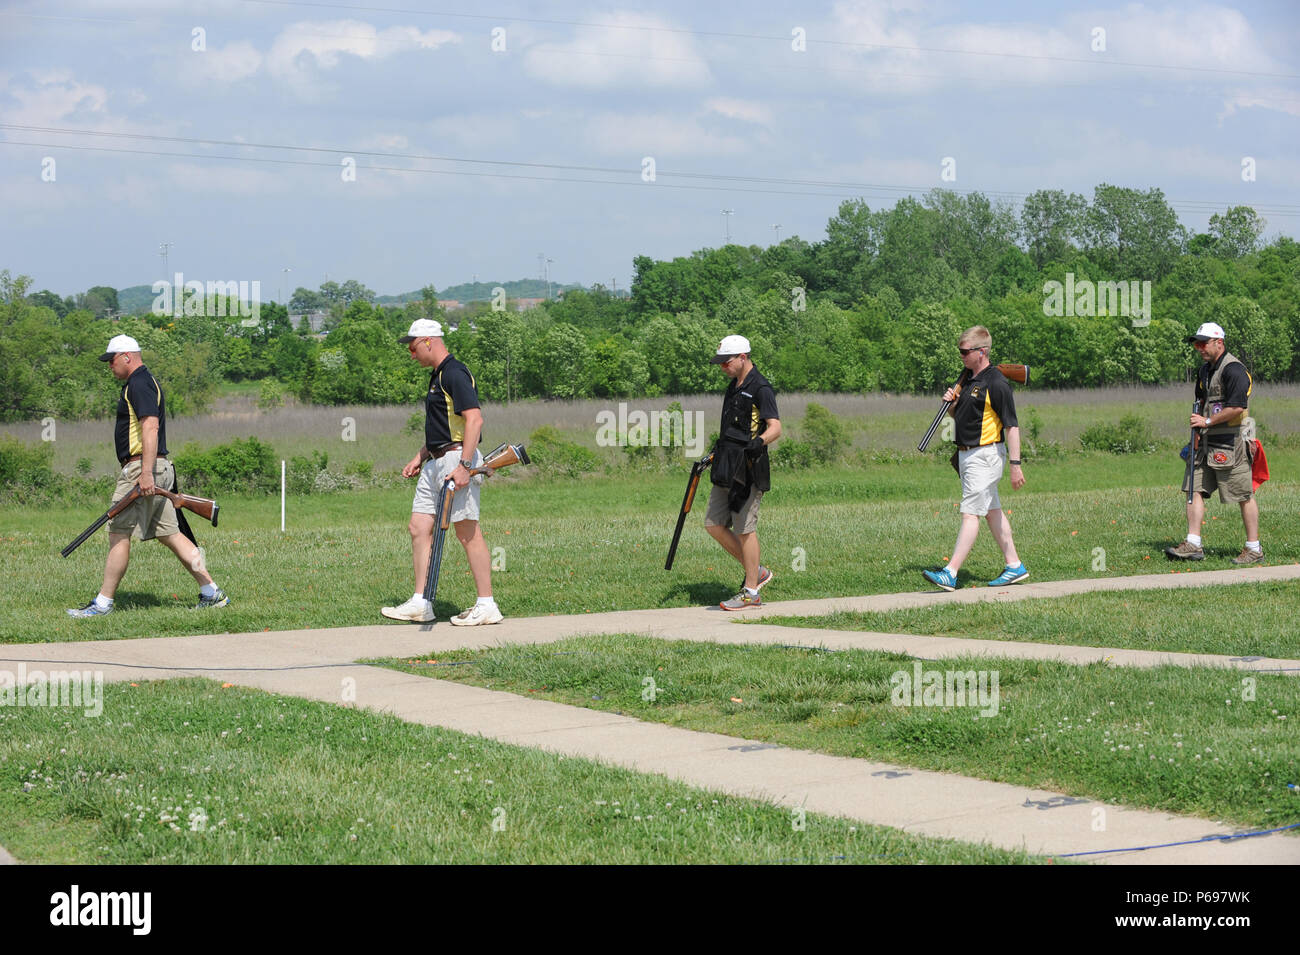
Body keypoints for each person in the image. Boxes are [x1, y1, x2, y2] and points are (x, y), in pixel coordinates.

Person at [67, 335, 228, 617]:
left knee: (118, 533)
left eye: (112, 360)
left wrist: (145, 473)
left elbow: (150, 428)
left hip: (143, 470)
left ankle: (102, 604)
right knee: (172, 535)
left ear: (127, 356)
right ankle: (210, 592)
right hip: (157, 469)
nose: (110, 367)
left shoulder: (138, 384)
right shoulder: (144, 381)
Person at [381, 319, 502, 625]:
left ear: (428, 341)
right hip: (436, 461)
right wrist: (420, 456)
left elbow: (474, 420)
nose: (411, 355)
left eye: (412, 347)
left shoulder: (454, 372)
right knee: (419, 527)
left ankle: (487, 604)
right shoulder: (437, 376)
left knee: (467, 531)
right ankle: (421, 603)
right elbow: (443, 426)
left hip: (454, 462)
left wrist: (464, 466)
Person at [922, 326, 1027, 592]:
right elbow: (962, 417)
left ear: (981, 352)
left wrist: (1015, 465)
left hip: (986, 455)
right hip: (968, 454)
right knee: (992, 512)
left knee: (970, 514)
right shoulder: (968, 380)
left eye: (965, 352)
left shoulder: (997, 382)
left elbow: (1012, 426)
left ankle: (951, 572)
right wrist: (953, 404)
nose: (962, 357)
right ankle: (1014, 566)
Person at [1165, 322, 1262, 565]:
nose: (1199, 348)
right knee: (1193, 488)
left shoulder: (1235, 370)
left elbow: (1237, 407)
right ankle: (1193, 544)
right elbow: (1200, 401)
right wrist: (1198, 430)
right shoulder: (1204, 371)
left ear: (1219, 342)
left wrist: (1206, 421)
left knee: (1242, 494)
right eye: (1197, 344)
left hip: (1232, 441)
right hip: (1205, 439)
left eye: (1203, 343)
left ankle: (1254, 548)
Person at [704, 335, 781, 610]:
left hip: (748, 469)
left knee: (745, 528)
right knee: (713, 524)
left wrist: (757, 443)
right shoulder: (732, 387)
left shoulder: (761, 388)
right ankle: (757, 570)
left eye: (726, 363)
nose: (723, 367)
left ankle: (751, 592)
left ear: (742, 358)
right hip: (725, 464)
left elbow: (775, 427)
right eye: (721, 363)